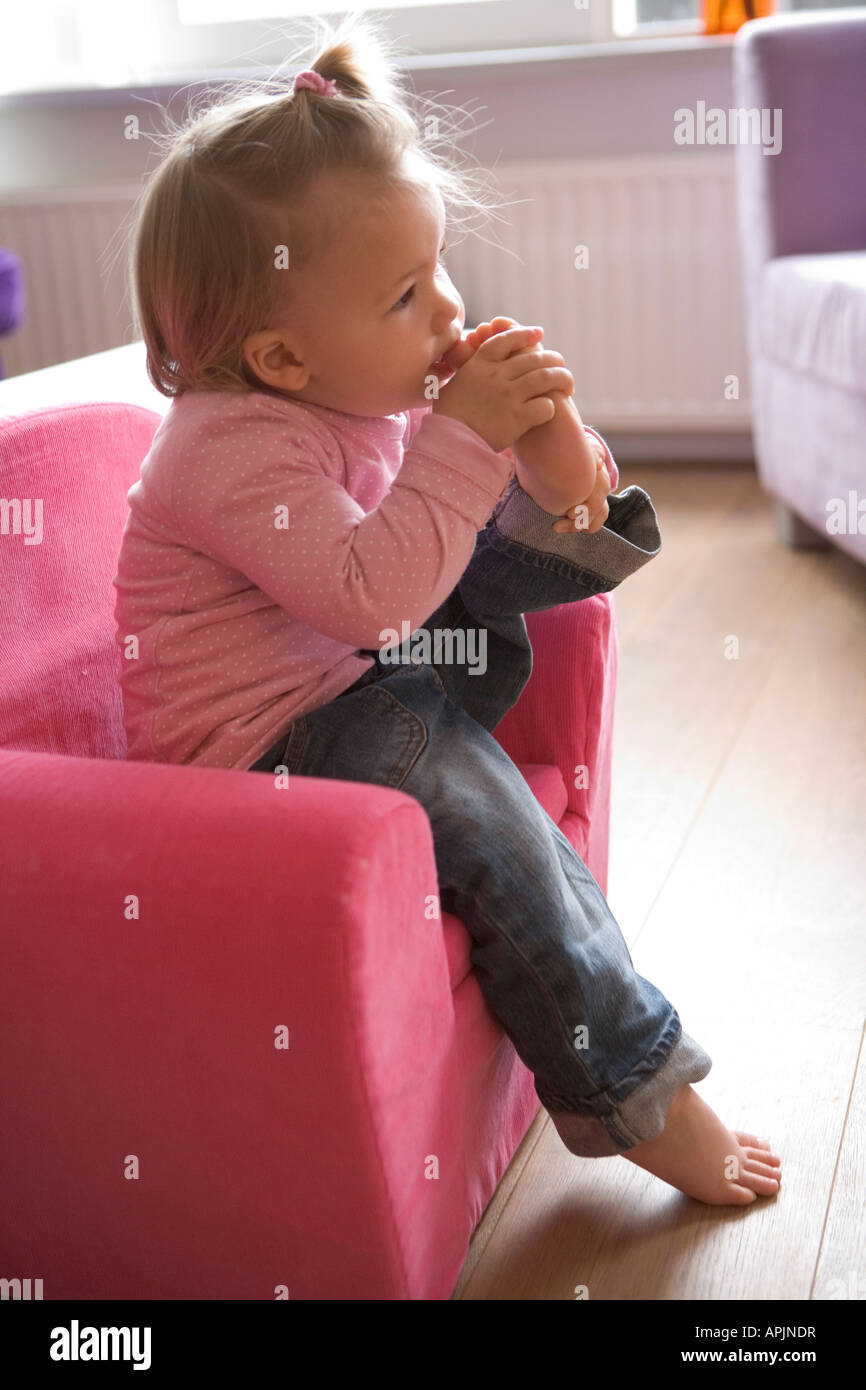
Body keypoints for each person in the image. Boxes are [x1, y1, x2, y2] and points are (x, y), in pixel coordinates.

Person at [114, 13, 781, 1205]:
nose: (445, 312)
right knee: (489, 807)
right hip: (266, 749)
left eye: (438, 270)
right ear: (280, 358)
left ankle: (586, 1000)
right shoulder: (222, 452)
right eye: (405, 294)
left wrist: (545, 441)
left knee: (475, 537)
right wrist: (466, 439)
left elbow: (488, 528)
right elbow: (373, 598)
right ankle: (635, 1088)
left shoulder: (359, 390)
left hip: (357, 675)